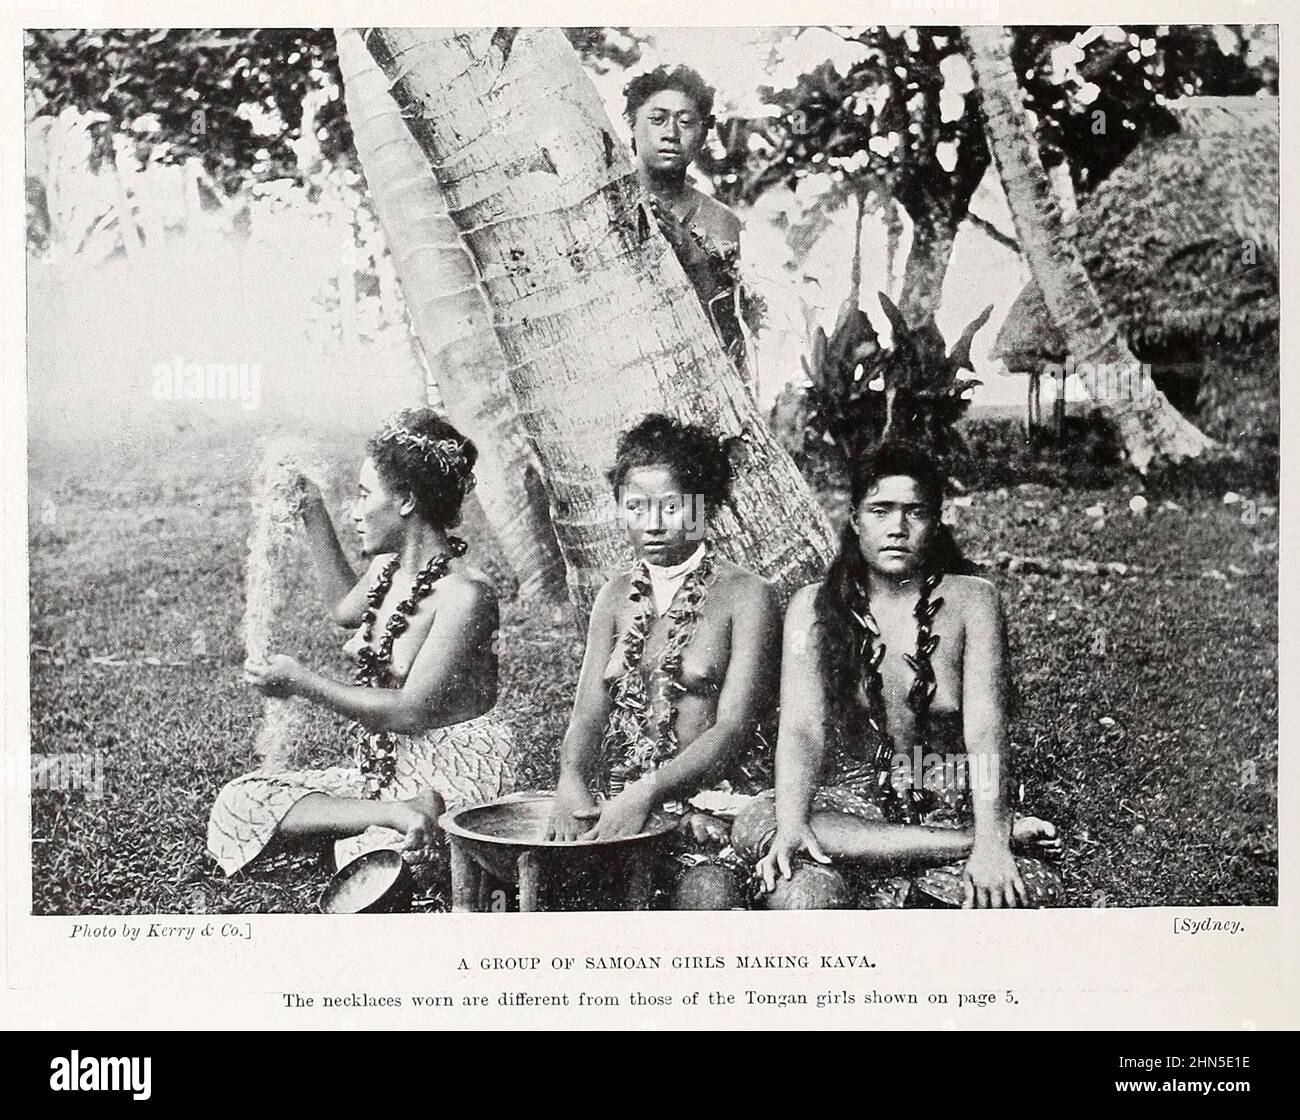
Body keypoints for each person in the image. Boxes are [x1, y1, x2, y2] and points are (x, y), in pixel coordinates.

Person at [733, 441, 1064, 908]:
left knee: (1019, 893)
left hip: (944, 797)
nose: (898, 529)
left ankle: (979, 840)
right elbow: (803, 728)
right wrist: (791, 823)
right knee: (764, 818)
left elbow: (986, 730)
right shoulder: (812, 607)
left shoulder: (974, 601)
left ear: (935, 522)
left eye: (915, 513)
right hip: (854, 804)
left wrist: (991, 844)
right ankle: (977, 842)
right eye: (881, 511)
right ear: (854, 520)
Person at [207, 408, 517, 880]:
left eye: (363, 495)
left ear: (407, 501)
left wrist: (302, 683)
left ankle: (405, 822)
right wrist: (312, 510)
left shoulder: (466, 595)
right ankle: (399, 812)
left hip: (459, 769)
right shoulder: (386, 570)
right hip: (389, 774)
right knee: (236, 801)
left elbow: (410, 713)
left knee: (367, 861)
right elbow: (342, 610)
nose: (355, 511)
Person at [546, 414, 779, 908]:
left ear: (706, 507)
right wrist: (571, 782)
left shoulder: (747, 596)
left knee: (707, 897)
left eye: (671, 507)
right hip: (623, 799)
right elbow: (587, 715)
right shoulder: (613, 597)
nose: (652, 523)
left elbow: (732, 729)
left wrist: (649, 793)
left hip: (714, 803)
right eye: (636, 507)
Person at [625, 64, 741, 250]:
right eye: (657, 119)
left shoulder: (720, 220)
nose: (671, 133)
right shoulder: (602, 199)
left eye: (685, 122)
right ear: (632, 124)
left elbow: (726, 278)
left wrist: (695, 259)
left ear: (702, 134)